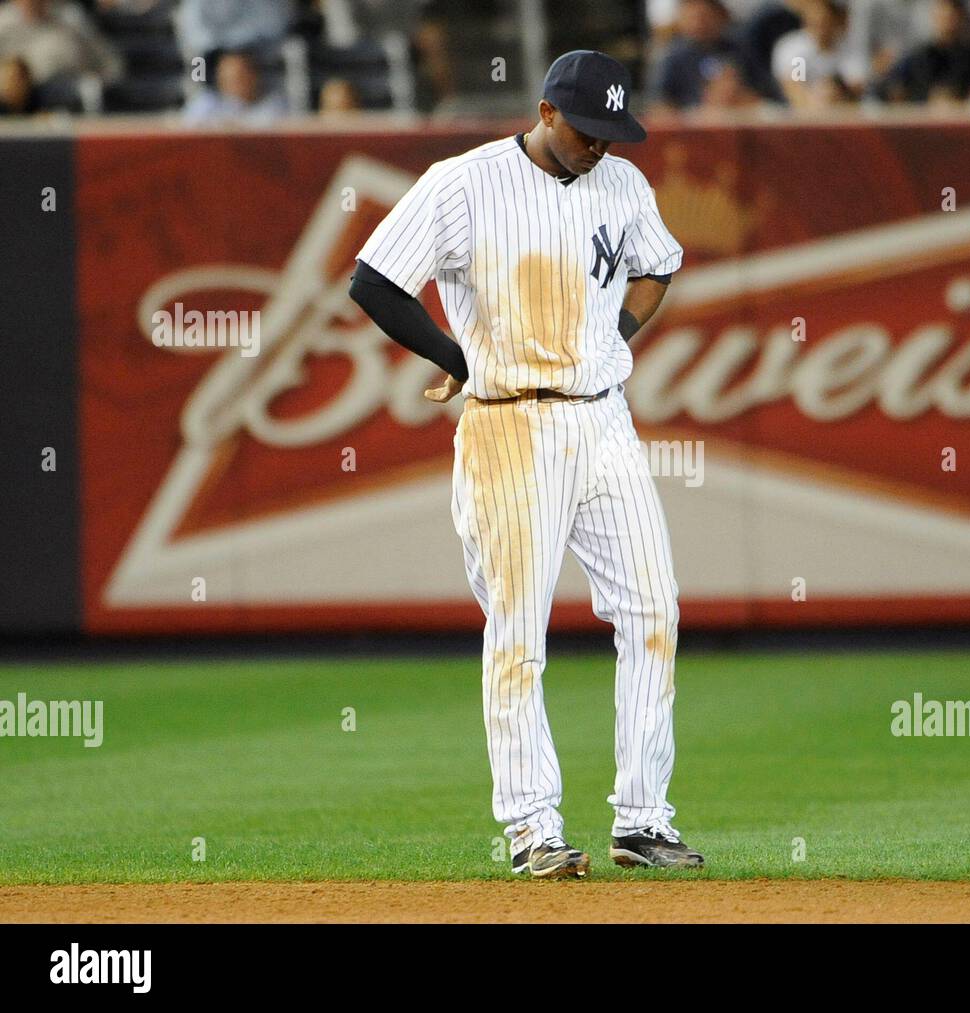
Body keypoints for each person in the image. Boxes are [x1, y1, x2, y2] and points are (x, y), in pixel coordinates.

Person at [349, 51, 703, 878]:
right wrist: (458, 356)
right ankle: (533, 828)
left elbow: (660, 266)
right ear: (546, 112)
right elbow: (372, 280)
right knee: (519, 634)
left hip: (603, 419)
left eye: (614, 133)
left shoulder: (621, 185)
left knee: (654, 613)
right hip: (510, 426)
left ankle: (643, 819)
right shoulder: (462, 183)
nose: (601, 147)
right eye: (587, 130)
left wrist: (616, 334)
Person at [650, 0, 779, 109]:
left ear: (720, 15)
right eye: (692, 17)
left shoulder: (741, 49)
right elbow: (659, 104)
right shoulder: (673, 57)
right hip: (693, 126)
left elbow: (766, 93)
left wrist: (739, 95)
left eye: (704, 16)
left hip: (739, 120)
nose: (699, 24)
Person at [876, 0, 970, 104]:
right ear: (934, 16)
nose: (947, 20)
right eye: (942, 14)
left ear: (961, 17)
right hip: (925, 126)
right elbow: (887, 87)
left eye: (951, 15)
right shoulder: (919, 56)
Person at [0, 0, 123, 85]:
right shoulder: (3, 22)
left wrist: (99, 82)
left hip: (70, 95)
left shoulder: (71, 17)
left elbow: (110, 63)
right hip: (18, 101)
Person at [771, 0, 868, 107]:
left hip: (842, 109)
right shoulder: (795, 50)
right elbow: (795, 90)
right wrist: (817, 101)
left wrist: (833, 89)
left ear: (835, 21)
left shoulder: (849, 47)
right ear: (806, 21)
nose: (821, 28)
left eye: (825, 22)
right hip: (803, 114)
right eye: (815, 22)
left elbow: (856, 86)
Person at [182, 49, 288, 124]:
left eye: (240, 76)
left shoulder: (275, 106)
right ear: (219, 80)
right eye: (228, 78)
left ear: (254, 75)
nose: (236, 83)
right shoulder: (205, 105)